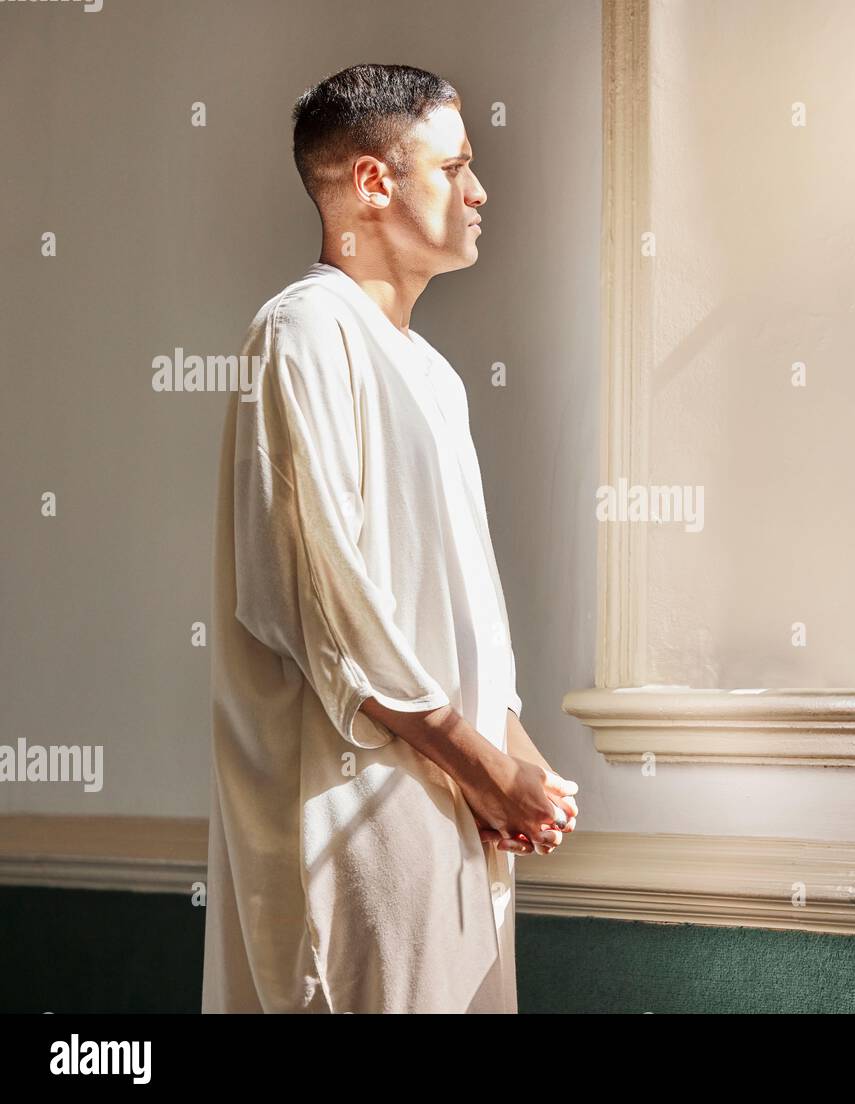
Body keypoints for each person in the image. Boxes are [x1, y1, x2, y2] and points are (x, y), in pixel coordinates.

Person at [202, 63, 578, 1013]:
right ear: (372, 183)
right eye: (455, 167)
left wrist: (518, 759)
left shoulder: (437, 378)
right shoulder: (302, 333)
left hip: (462, 811)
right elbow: (328, 607)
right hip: (359, 814)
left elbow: (458, 608)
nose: (480, 191)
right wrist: (485, 766)